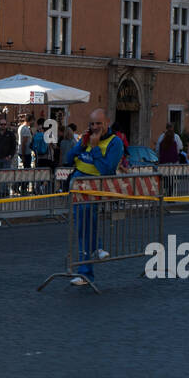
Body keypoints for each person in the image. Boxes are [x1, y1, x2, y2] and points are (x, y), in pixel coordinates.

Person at [62, 107, 125, 287]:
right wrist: (81, 146)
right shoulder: (86, 139)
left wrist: (95, 149)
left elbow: (107, 169)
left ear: (107, 123)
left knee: (84, 228)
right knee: (85, 227)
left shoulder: (115, 143)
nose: (95, 127)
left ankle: (86, 273)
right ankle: (96, 248)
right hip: (77, 188)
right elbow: (67, 159)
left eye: (99, 123)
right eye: (92, 123)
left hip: (94, 189)